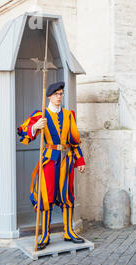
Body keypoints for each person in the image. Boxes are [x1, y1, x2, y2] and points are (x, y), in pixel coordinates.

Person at [17, 81, 86, 250]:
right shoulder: (41, 114)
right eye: (56, 94)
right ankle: (45, 235)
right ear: (49, 96)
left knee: (67, 195)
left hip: (66, 160)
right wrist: (35, 127)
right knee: (46, 196)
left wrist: (80, 160)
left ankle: (69, 232)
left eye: (61, 94)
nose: (59, 97)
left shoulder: (69, 115)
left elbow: (74, 141)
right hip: (49, 159)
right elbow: (21, 131)